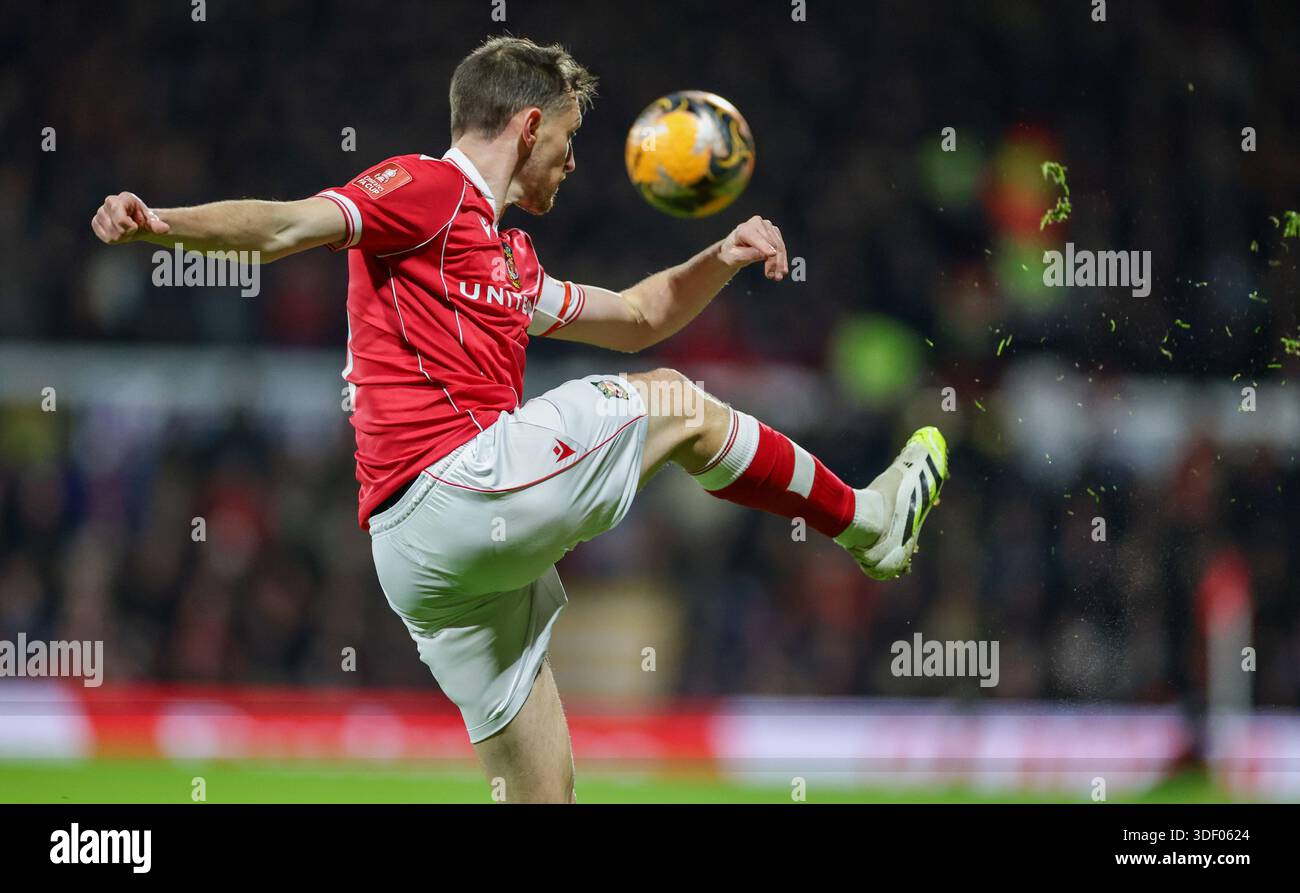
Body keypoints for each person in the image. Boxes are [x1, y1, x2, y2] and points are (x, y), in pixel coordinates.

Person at [90, 36, 948, 803]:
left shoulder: (504, 261)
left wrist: (719, 257)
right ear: (530, 126)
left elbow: (640, 314)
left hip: (433, 561)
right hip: (450, 491)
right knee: (675, 404)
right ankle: (867, 523)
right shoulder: (423, 191)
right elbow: (287, 227)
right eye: (571, 141)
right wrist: (164, 223)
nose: (574, 164)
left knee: (544, 792)